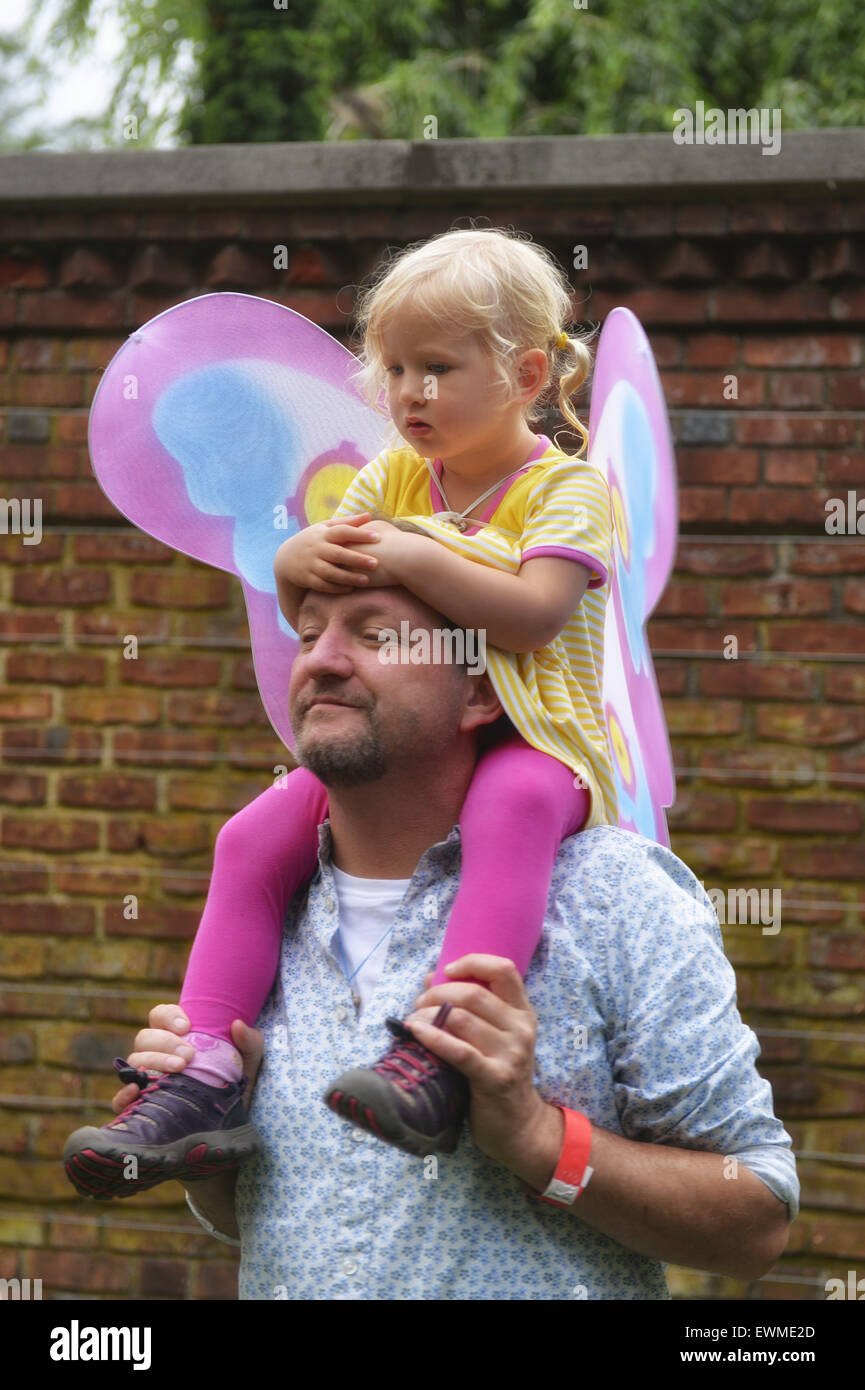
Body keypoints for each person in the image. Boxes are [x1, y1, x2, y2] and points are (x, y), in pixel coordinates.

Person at [64, 224, 620, 1197]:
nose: (408, 394)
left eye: (437, 368)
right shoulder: (396, 476)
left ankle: (441, 1049)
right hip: (419, 743)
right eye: (394, 368)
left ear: (527, 371)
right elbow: (304, 576)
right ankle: (203, 1068)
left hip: (539, 738)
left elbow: (535, 615)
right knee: (252, 833)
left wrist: (408, 557)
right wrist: (293, 562)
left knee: (510, 809)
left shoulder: (564, 488)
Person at [108, 580, 797, 1299]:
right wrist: (218, 1144)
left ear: (478, 693)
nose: (324, 660)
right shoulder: (263, 909)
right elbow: (290, 1224)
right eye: (309, 635)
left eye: (375, 636)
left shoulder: (612, 894)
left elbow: (755, 1224)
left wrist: (536, 1140)